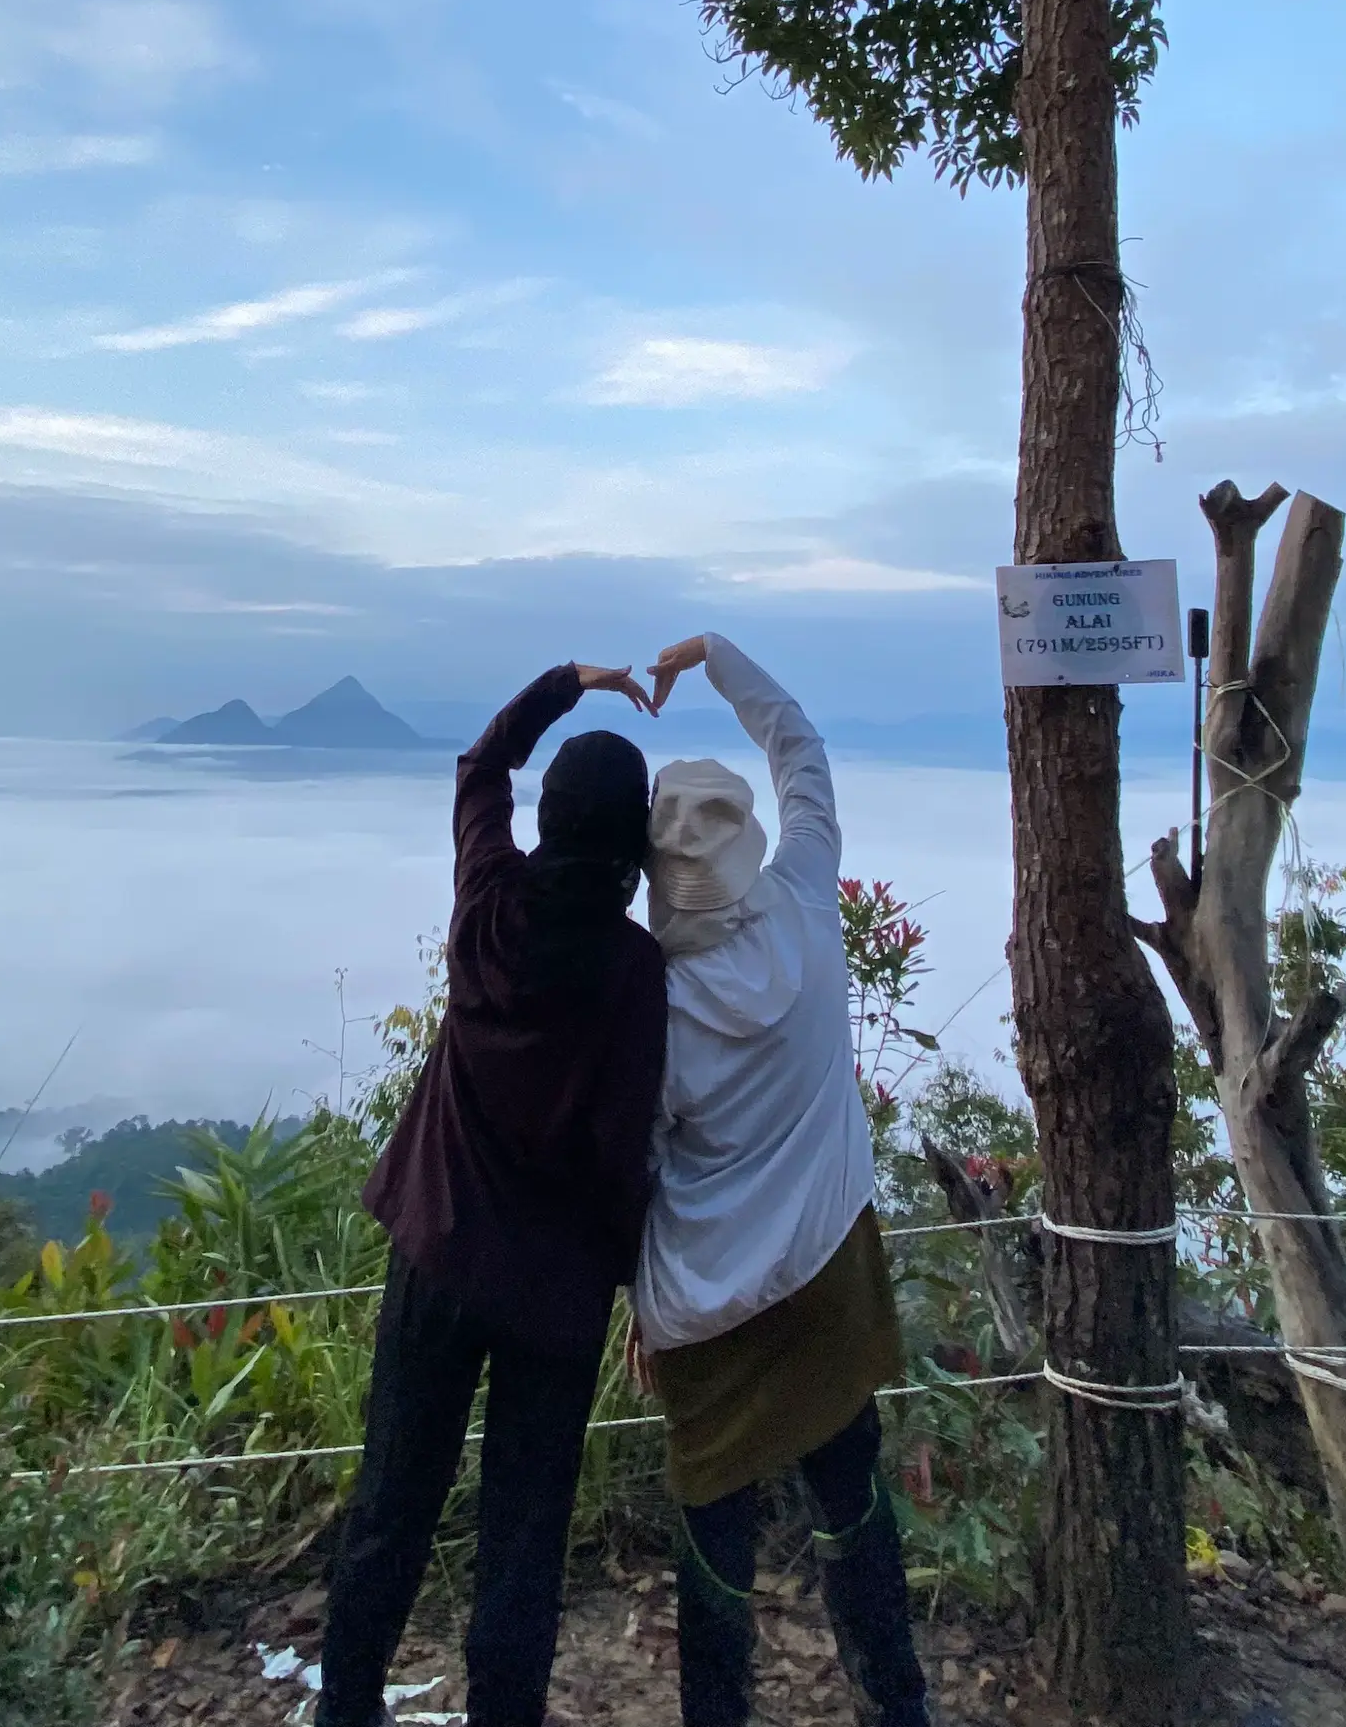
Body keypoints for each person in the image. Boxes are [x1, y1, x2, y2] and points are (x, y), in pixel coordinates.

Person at [319, 660, 668, 1727]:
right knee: (525, 1530)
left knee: (393, 1495)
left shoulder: (489, 903)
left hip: (436, 1246)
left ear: (549, 820)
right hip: (552, 1295)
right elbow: (620, 1154)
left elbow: (481, 765)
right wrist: (633, 1284)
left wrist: (571, 681)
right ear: (634, 845)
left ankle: (345, 1706)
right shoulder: (634, 970)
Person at [629, 633, 929, 1727]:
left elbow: (644, 1172)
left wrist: (640, 1301)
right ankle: (896, 1704)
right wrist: (716, 657)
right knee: (851, 1492)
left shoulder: (652, 1008)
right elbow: (800, 748)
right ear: (749, 848)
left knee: (714, 1533)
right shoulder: (805, 900)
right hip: (825, 1272)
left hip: (703, 1309)